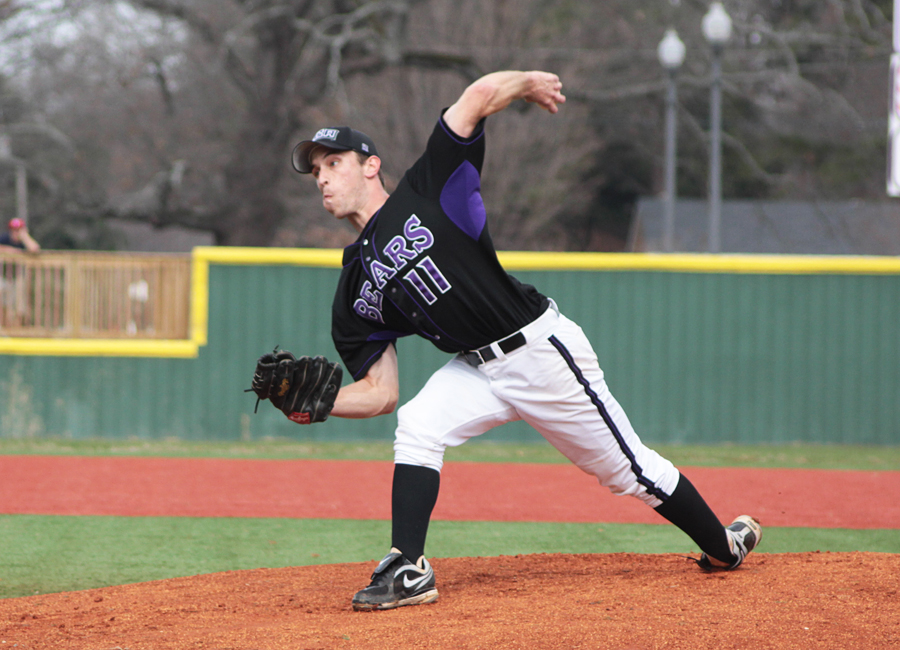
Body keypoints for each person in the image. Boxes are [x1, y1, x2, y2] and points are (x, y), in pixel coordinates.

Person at [289, 70, 761, 611]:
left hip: (538, 351)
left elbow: (476, 99)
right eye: (316, 171)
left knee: (628, 471)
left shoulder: (427, 187)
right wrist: (322, 402)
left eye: (334, 163)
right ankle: (408, 566)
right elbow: (379, 392)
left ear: (371, 166)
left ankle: (724, 548)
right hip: (477, 370)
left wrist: (527, 82)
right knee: (417, 423)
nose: (322, 177)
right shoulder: (355, 284)